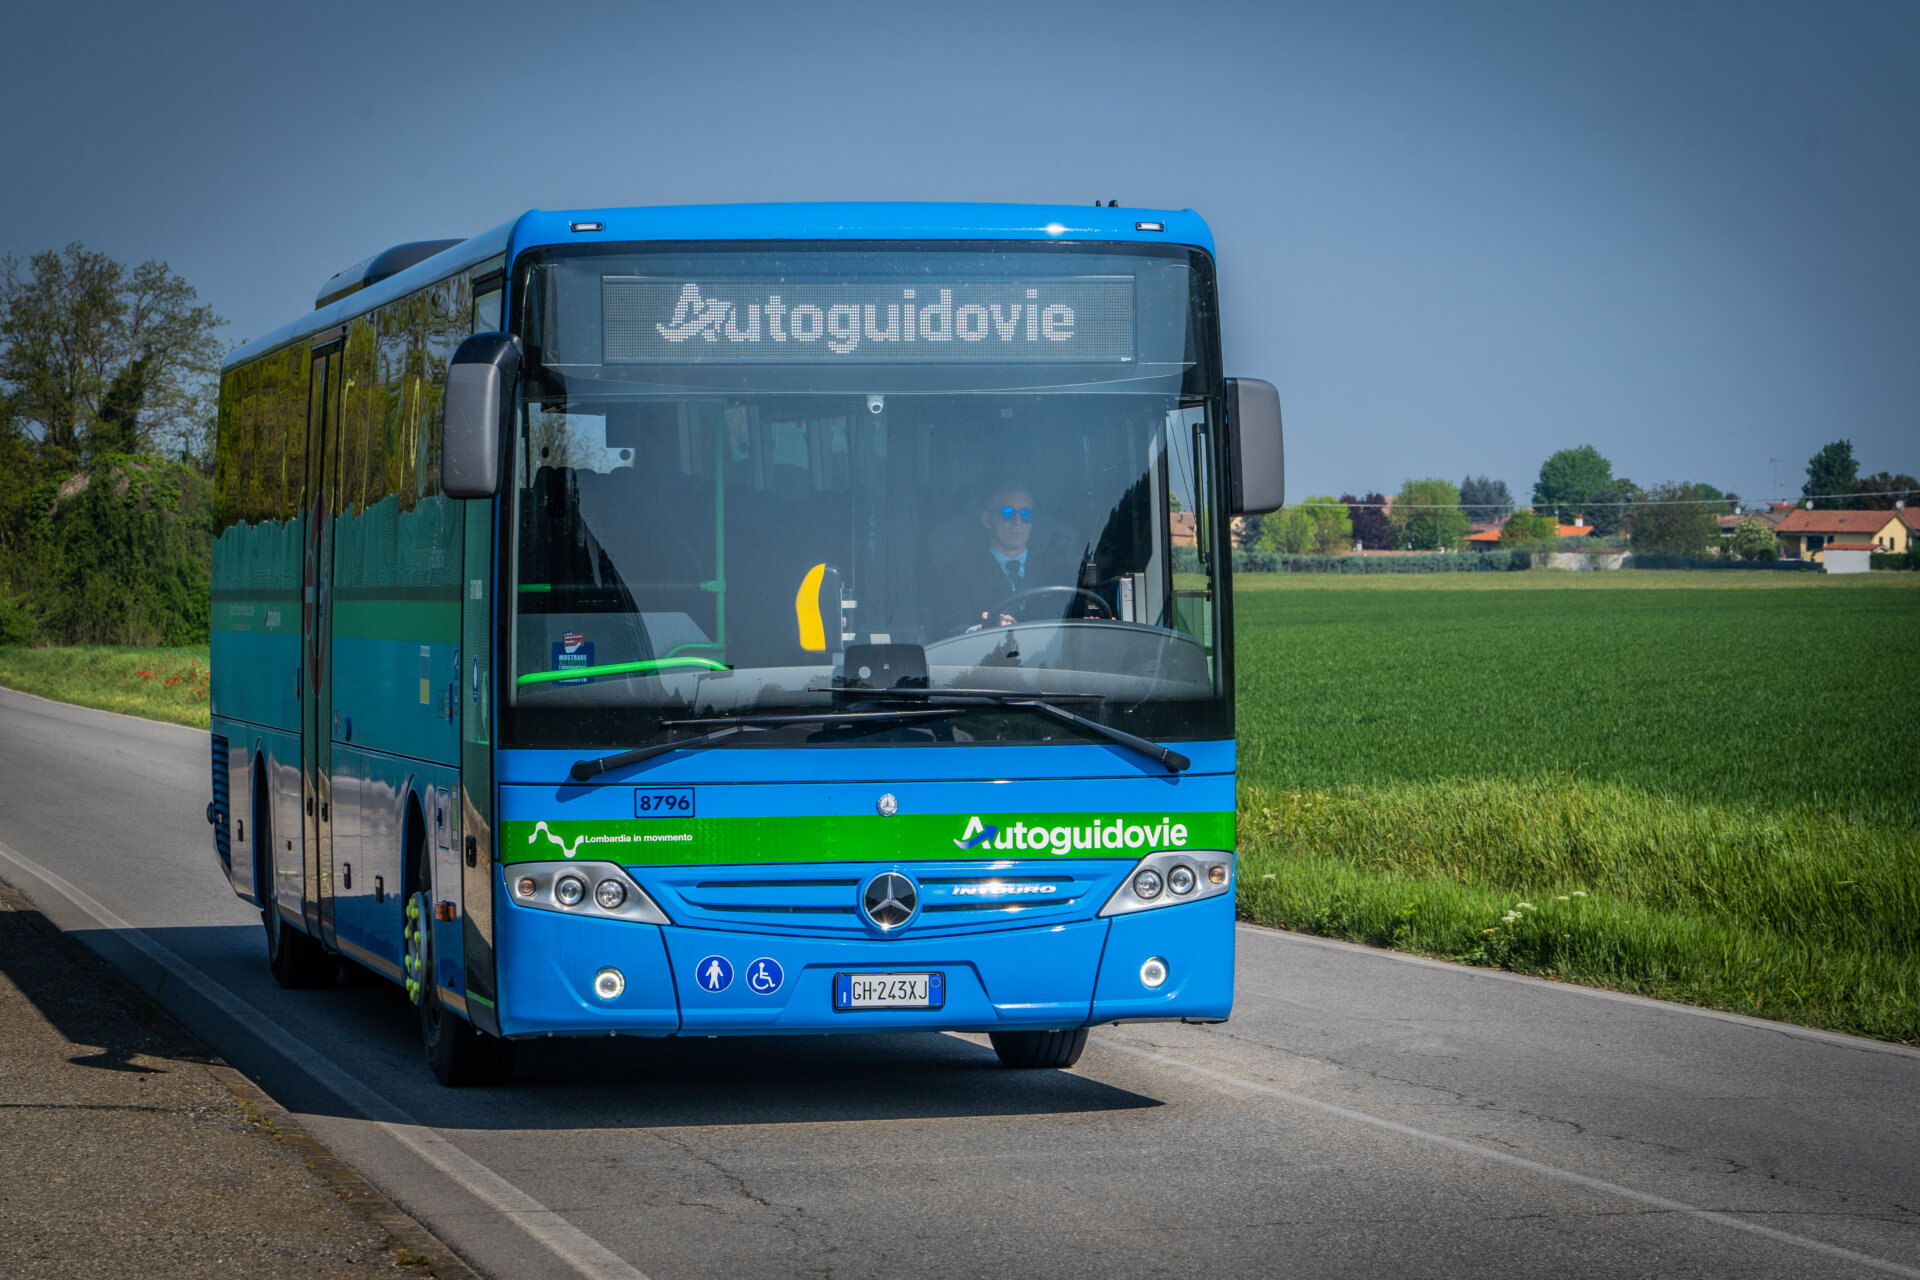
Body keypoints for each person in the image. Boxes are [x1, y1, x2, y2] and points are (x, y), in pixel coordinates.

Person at [937, 483, 1082, 634]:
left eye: (1026, 514)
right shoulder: (958, 575)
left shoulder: (1060, 571)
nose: (1018, 521)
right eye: (1008, 513)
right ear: (987, 520)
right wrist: (983, 629)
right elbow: (948, 632)